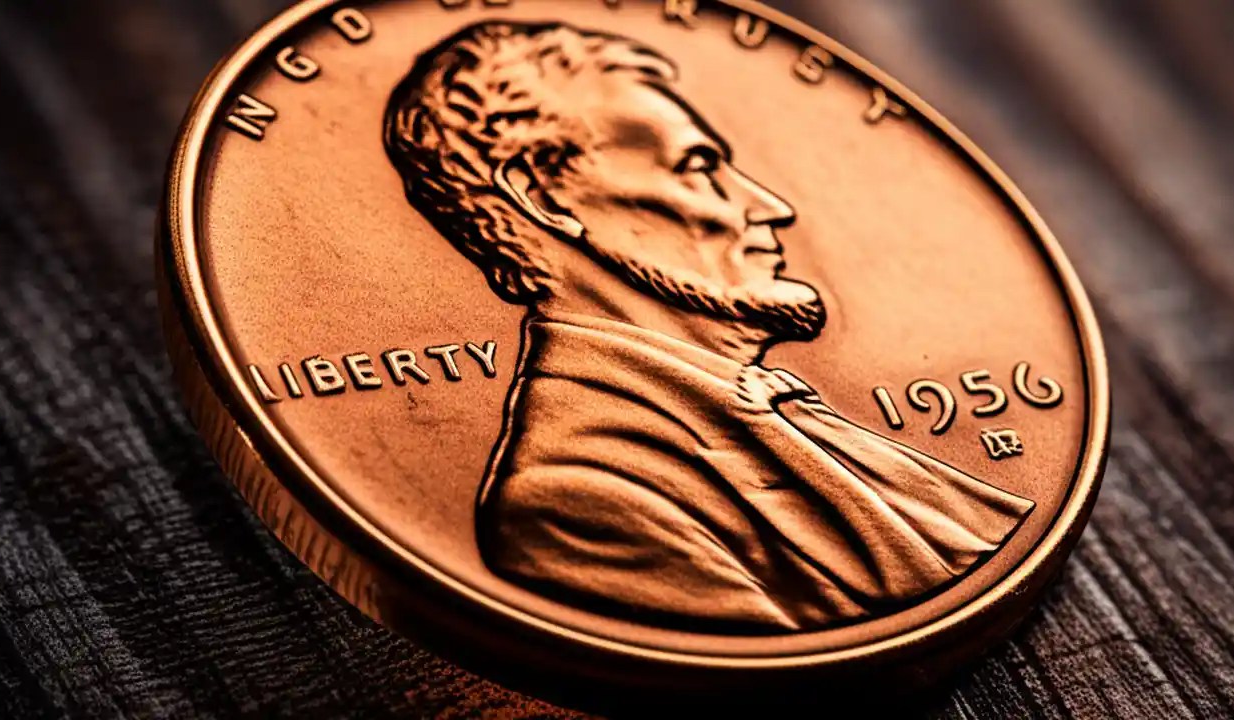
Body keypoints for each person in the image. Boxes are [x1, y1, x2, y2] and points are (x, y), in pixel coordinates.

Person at [383, 21, 1034, 632]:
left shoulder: (783, 416)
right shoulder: (577, 500)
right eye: (696, 167)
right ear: (545, 196)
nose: (769, 207)